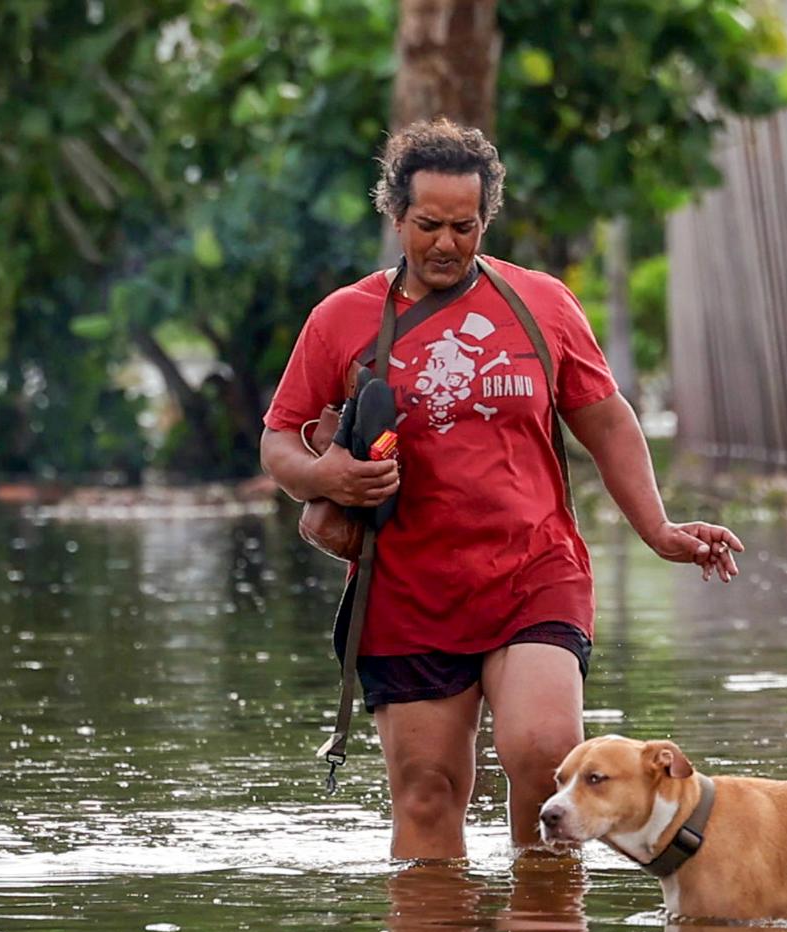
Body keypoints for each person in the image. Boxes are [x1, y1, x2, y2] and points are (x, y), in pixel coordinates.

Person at [260, 118, 741, 862]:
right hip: (406, 589)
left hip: (533, 571)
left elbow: (607, 421)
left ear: (486, 219)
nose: (446, 243)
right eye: (428, 225)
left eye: (465, 226)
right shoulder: (341, 319)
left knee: (547, 757)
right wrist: (326, 475)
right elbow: (279, 440)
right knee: (426, 791)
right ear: (396, 217)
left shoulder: (542, 304)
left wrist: (659, 530)